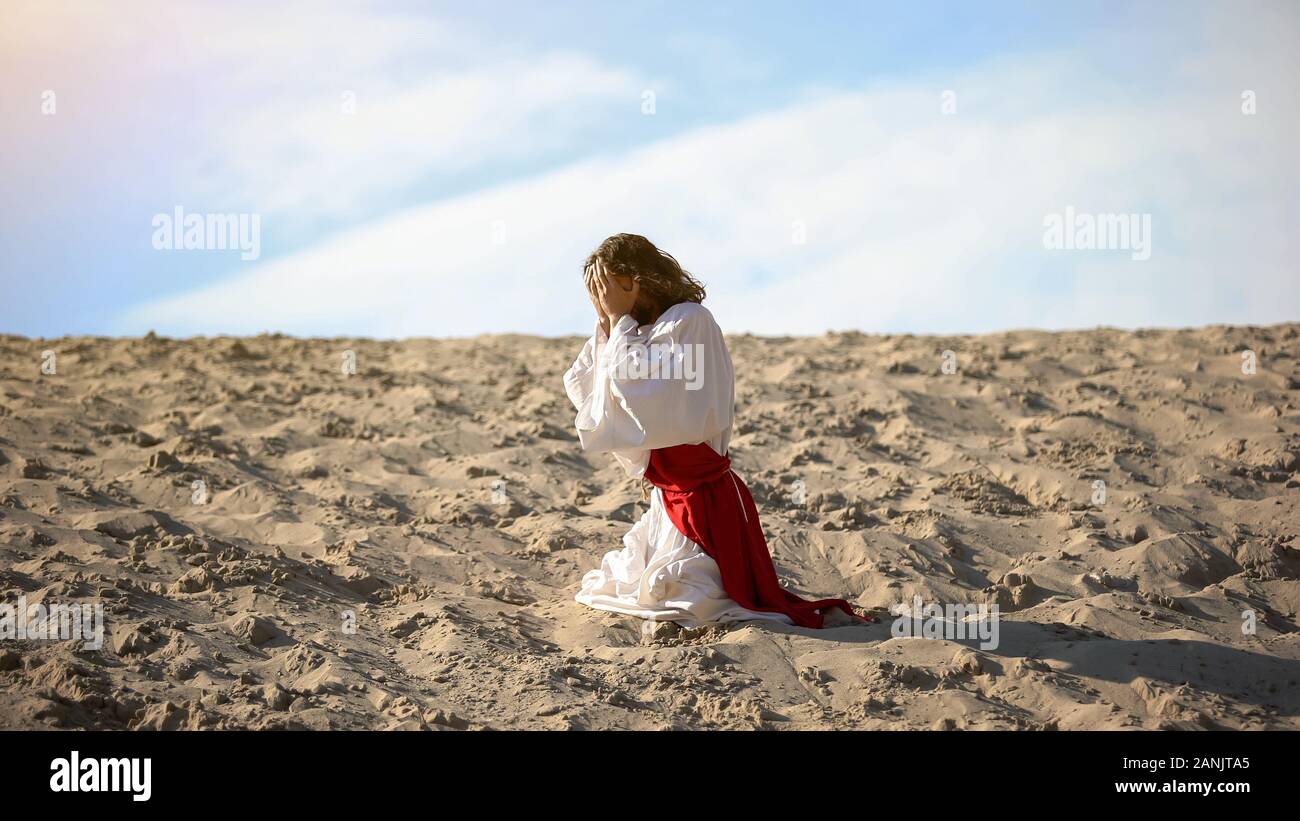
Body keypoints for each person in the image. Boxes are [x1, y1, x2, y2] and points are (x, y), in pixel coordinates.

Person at [563, 233, 865, 629]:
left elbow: (643, 388)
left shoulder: (689, 320)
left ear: (634, 280)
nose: (601, 299)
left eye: (605, 288)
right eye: (594, 293)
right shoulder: (635, 329)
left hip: (700, 481)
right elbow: (587, 383)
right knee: (628, 583)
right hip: (668, 491)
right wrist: (609, 323)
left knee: (687, 596)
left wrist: (618, 322)